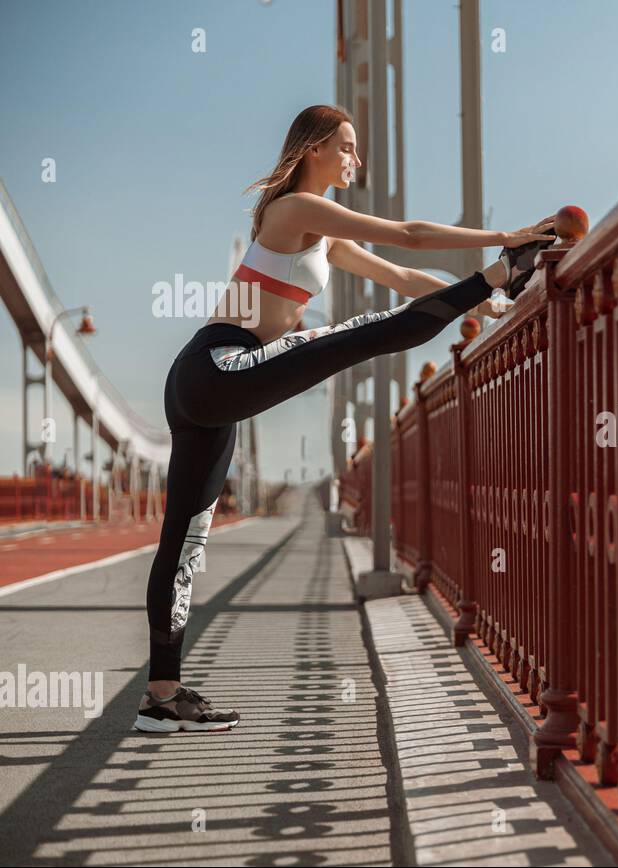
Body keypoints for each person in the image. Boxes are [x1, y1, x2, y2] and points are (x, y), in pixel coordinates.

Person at [136, 104, 555, 732]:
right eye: (347, 147)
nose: (355, 160)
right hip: (217, 366)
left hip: (210, 383)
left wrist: (483, 303)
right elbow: (409, 232)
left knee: (186, 542)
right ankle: (505, 273)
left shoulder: (324, 234)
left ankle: (160, 698)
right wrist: (504, 244)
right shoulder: (296, 209)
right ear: (312, 150)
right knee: (362, 334)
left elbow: (403, 273)